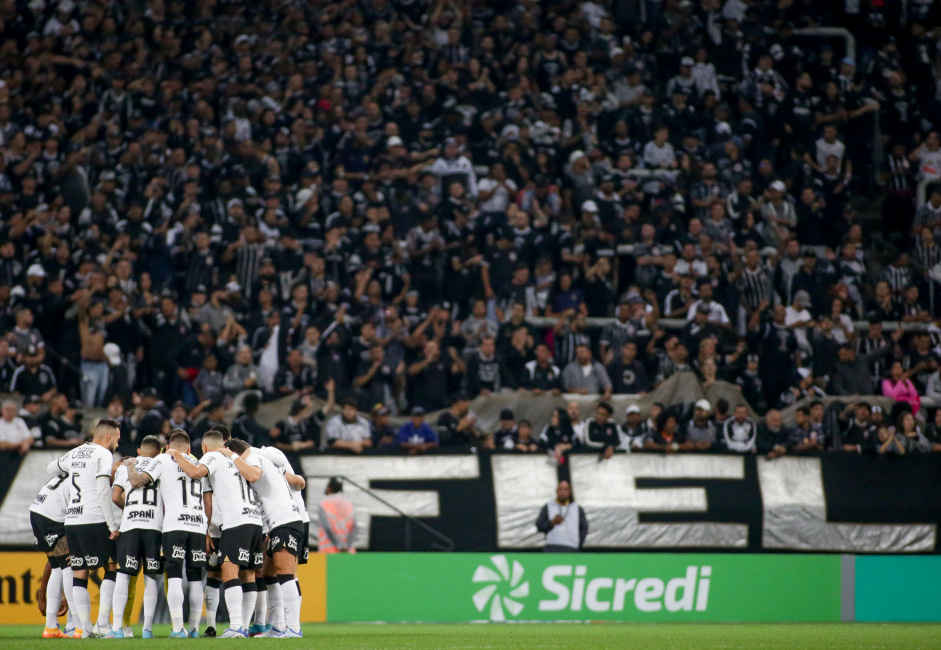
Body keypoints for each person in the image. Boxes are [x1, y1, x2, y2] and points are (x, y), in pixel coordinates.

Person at [171, 432, 264, 639]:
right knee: (248, 574)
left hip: (236, 522)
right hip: (255, 520)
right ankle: (245, 628)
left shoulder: (212, 456)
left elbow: (195, 472)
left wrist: (175, 454)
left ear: (204, 448)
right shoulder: (240, 460)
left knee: (228, 571)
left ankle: (237, 627)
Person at [124, 430, 208, 637]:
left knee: (176, 577)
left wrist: (130, 465)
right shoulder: (200, 464)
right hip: (198, 525)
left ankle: (178, 629)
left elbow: (137, 482)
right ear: (189, 449)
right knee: (196, 578)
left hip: (175, 525)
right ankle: (195, 629)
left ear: (169, 446)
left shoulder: (162, 459)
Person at [48, 419, 122, 638]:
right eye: (116, 439)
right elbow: (102, 491)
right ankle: (102, 624)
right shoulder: (104, 454)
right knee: (111, 567)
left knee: (79, 571)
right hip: (94, 518)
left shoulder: (77, 452)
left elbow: (51, 468)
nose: (117, 444)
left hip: (72, 521)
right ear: (109, 437)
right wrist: (112, 524)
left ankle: (85, 629)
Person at [106, 435, 164, 639]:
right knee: (151, 579)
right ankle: (147, 629)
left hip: (130, 526)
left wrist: (129, 508)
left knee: (123, 576)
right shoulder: (162, 465)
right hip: (154, 528)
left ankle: (116, 629)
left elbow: (114, 496)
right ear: (159, 452)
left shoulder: (127, 465)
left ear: (140, 451)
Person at [30, 458, 75, 638]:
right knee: (72, 565)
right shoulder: (84, 479)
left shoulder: (65, 473)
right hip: (53, 516)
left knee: (58, 565)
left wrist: (42, 595)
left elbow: (52, 564)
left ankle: (51, 627)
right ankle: (75, 626)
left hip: (37, 512)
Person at [535, 481, 588, 553]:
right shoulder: (548, 507)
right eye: (560, 489)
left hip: (571, 547)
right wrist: (552, 523)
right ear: (556, 491)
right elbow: (539, 526)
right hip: (552, 546)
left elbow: (584, 528)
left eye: (565, 489)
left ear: (569, 492)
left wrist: (578, 542)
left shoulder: (577, 509)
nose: (562, 492)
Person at [318, 478, 357, 556]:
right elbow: (354, 527)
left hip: (328, 551)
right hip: (348, 552)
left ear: (329, 487)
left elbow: (327, 528)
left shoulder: (324, 504)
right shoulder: (349, 504)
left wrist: (339, 546)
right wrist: (347, 546)